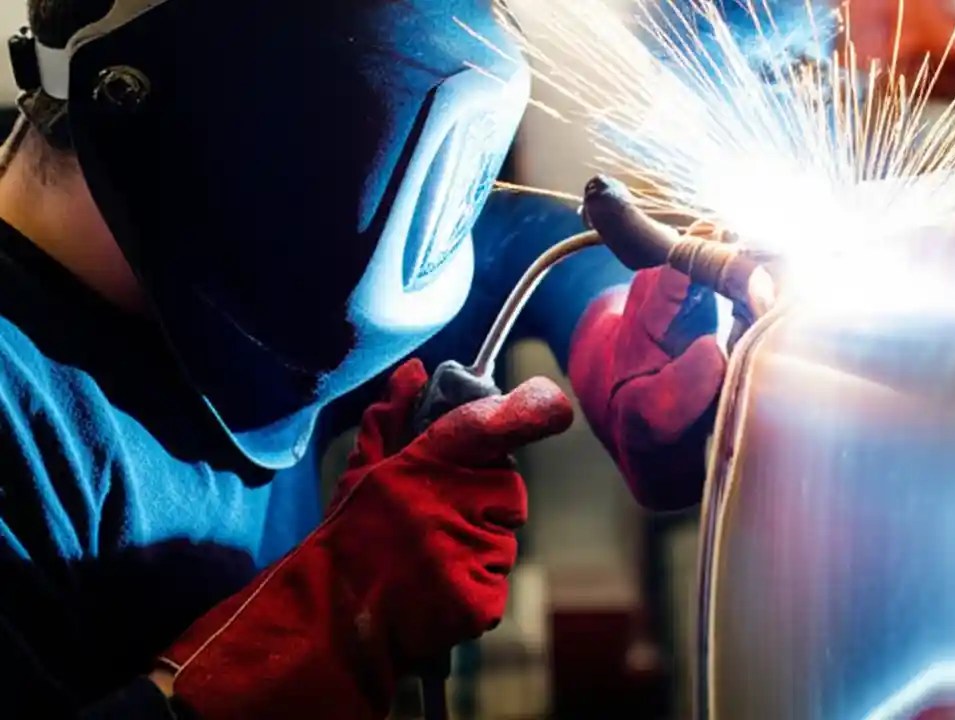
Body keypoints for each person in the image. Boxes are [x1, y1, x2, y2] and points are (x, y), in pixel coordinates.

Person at [0, 0, 725, 717]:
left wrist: (600, 314)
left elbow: (513, 237)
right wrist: (327, 624)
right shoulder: (22, 403)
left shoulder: (253, 281)